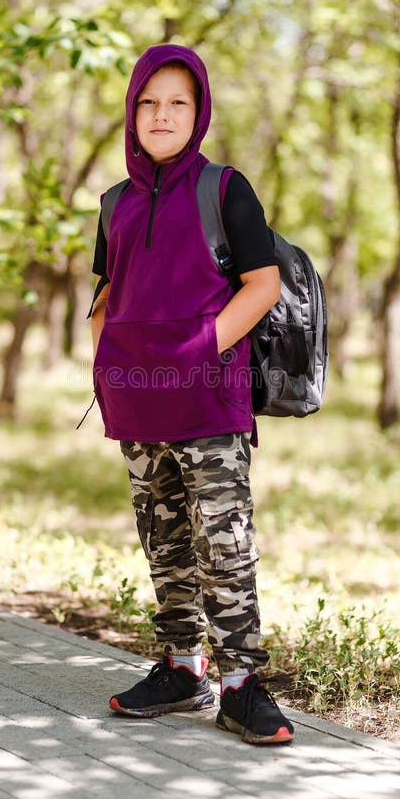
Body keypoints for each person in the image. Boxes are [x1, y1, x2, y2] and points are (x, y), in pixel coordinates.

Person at [90, 43, 294, 744]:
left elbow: (262, 285)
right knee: (165, 539)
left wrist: (197, 351)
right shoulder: (114, 200)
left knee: (223, 542)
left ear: (199, 110)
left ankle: (240, 684)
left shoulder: (225, 189)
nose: (162, 114)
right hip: (138, 401)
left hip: (208, 399)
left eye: (177, 102)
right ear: (132, 111)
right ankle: (182, 669)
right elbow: (107, 289)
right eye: (149, 102)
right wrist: (107, 354)